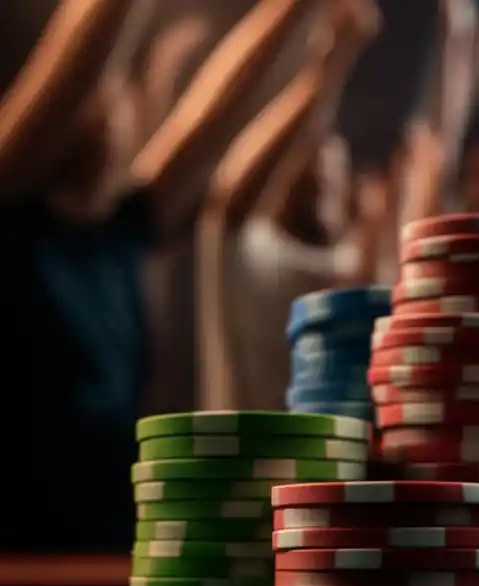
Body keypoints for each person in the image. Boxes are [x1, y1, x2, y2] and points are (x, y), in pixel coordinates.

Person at [5, 0, 325, 550]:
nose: (113, 98)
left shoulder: (122, 233)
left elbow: (217, 113)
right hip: (19, 559)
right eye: (96, 84)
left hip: (111, 553)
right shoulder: (12, 212)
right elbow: (72, 58)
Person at [198, 0, 383, 411]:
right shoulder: (251, 258)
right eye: (306, 166)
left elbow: (432, 146)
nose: (319, 172)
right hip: (246, 472)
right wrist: (328, 67)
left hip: (335, 474)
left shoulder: (355, 272)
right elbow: (230, 193)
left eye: (332, 167)